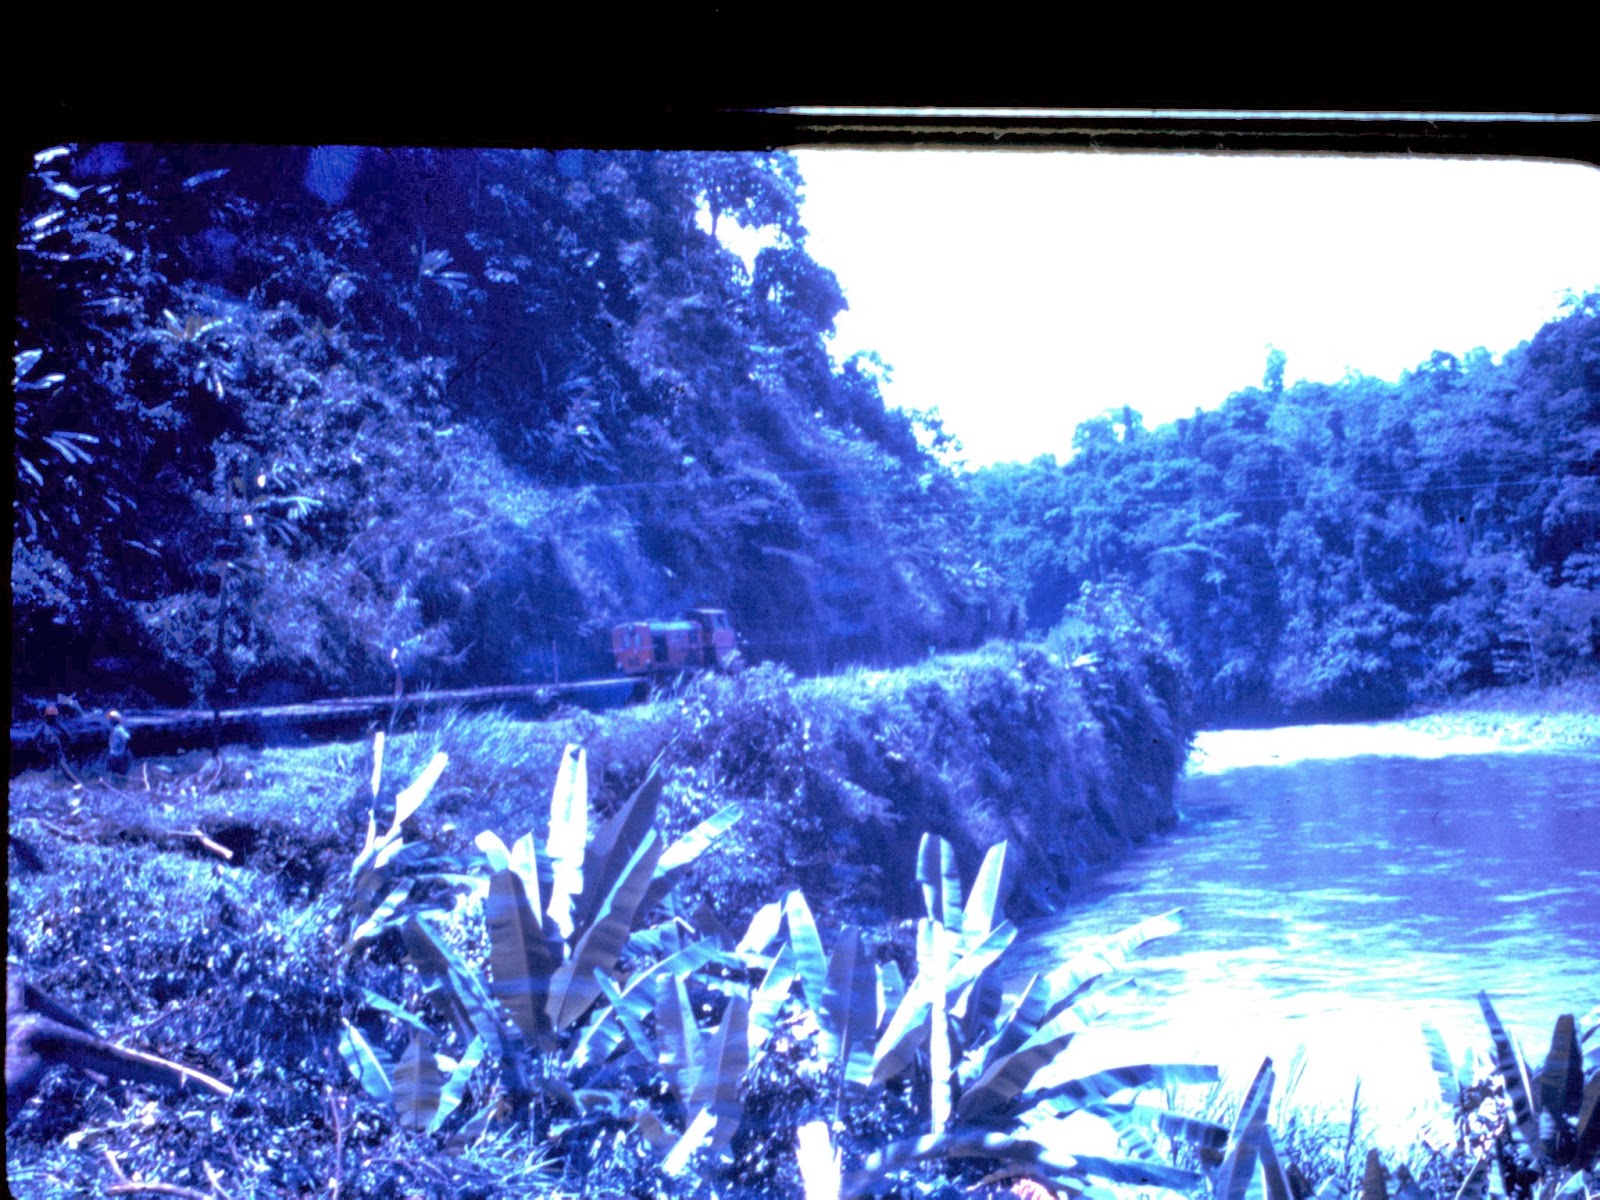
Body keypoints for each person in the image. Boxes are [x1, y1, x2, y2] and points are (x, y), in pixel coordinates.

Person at [106, 711, 133, 776]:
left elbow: (127, 739)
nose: (110, 721)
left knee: (120, 774)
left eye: (112, 719)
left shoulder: (119, 729)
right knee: (112, 773)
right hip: (114, 754)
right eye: (110, 719)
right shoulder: (114, 729)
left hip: (119, 755)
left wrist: (123, 752)